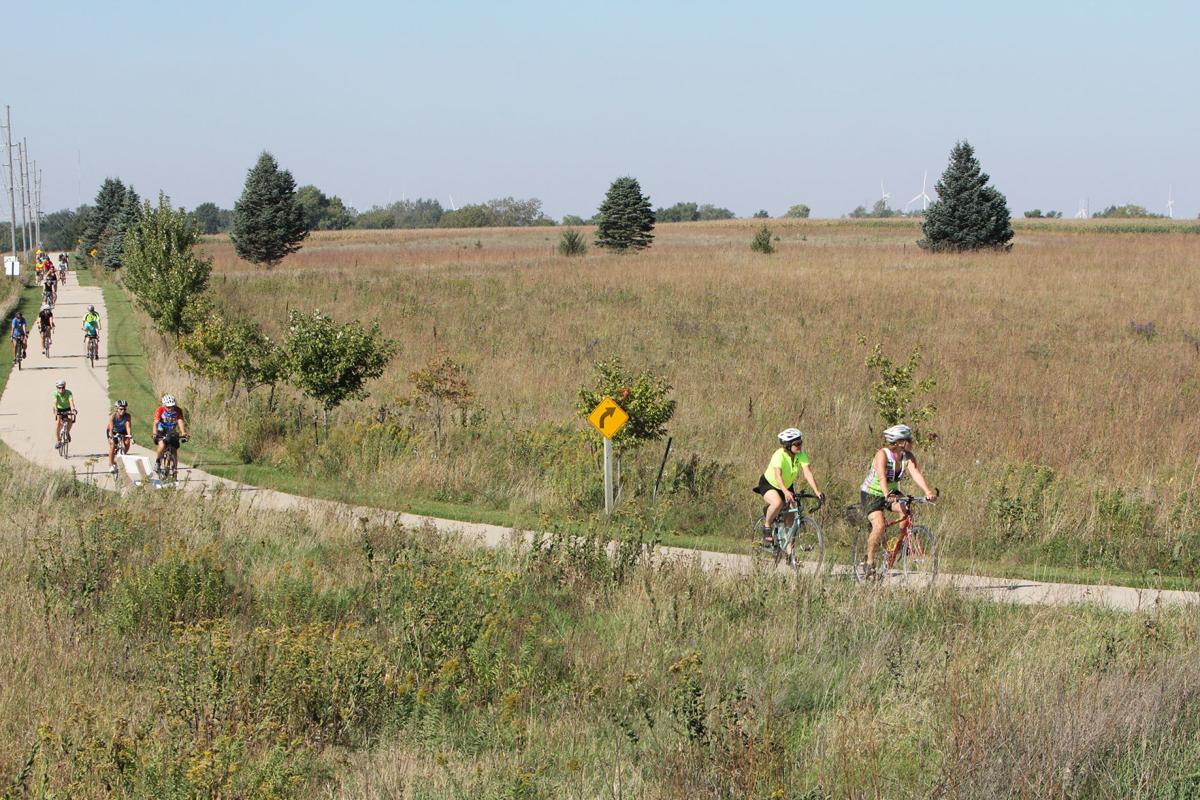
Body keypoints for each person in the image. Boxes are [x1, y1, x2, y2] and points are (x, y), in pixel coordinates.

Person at [860, 424, 938, 575]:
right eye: (909, 439)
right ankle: (869, 561)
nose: (912, 442)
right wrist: (886, 494)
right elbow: (882, 476)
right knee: (880, 525)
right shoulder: (882, 455)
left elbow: (916, 473)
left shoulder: (907, 457)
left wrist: (928, 491)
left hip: (891, 492)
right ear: (899, 442)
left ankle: (902, 540)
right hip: (872, 493)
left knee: (907, 508)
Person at [753, 428, 826, 546]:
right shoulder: (779, 455)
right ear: (787, 445)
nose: (799, 446)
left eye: (800, 443)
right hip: (770, 484)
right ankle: (767, 526)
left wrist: (817, 491)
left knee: (791, 517)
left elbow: (807, 473)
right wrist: (786, 492)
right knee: (777, 503)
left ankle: (789, 553)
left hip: (786, 485)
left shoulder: (801, 455)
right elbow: (778, 476)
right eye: (796, 444)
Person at [152, 394, 188, 467]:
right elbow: (155, 423)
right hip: (161, 430)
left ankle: (175, 470)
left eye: (173, 406)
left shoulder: (178, 410)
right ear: (164, 405)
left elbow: (180, 421)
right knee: (162, 445)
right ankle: (158, 461)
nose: (171, 409)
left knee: (174, 449)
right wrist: (155, 433)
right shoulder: (160, 410)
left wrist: (183, 432)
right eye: (168, 407)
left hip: (171, 431)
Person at [106, 400, 133, 472]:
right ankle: (111, 464)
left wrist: (129, 435)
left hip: (123, 430)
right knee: (113, 445)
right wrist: (111, 437)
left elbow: (128, 427)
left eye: (124, 409)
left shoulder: (127, 416)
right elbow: (111, 428)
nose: (123, 411)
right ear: (116, 409)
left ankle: (122, 456)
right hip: (113, 431)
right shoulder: (113, 416)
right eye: (121, 409)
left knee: (127, 443)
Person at [53, 379, 76, 448]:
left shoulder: (68, 393)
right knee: (58, 424)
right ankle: (58, 441)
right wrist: (56, 410)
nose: (61, 389)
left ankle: (67, 432)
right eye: (59, 387)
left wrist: (73, 409)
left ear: (65, 387)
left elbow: (71, 401)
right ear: (57, 388)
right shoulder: (55, 393)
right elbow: (54, 402)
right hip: (59, 409)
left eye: (63, 387)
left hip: (67, 408)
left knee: (70, 421)